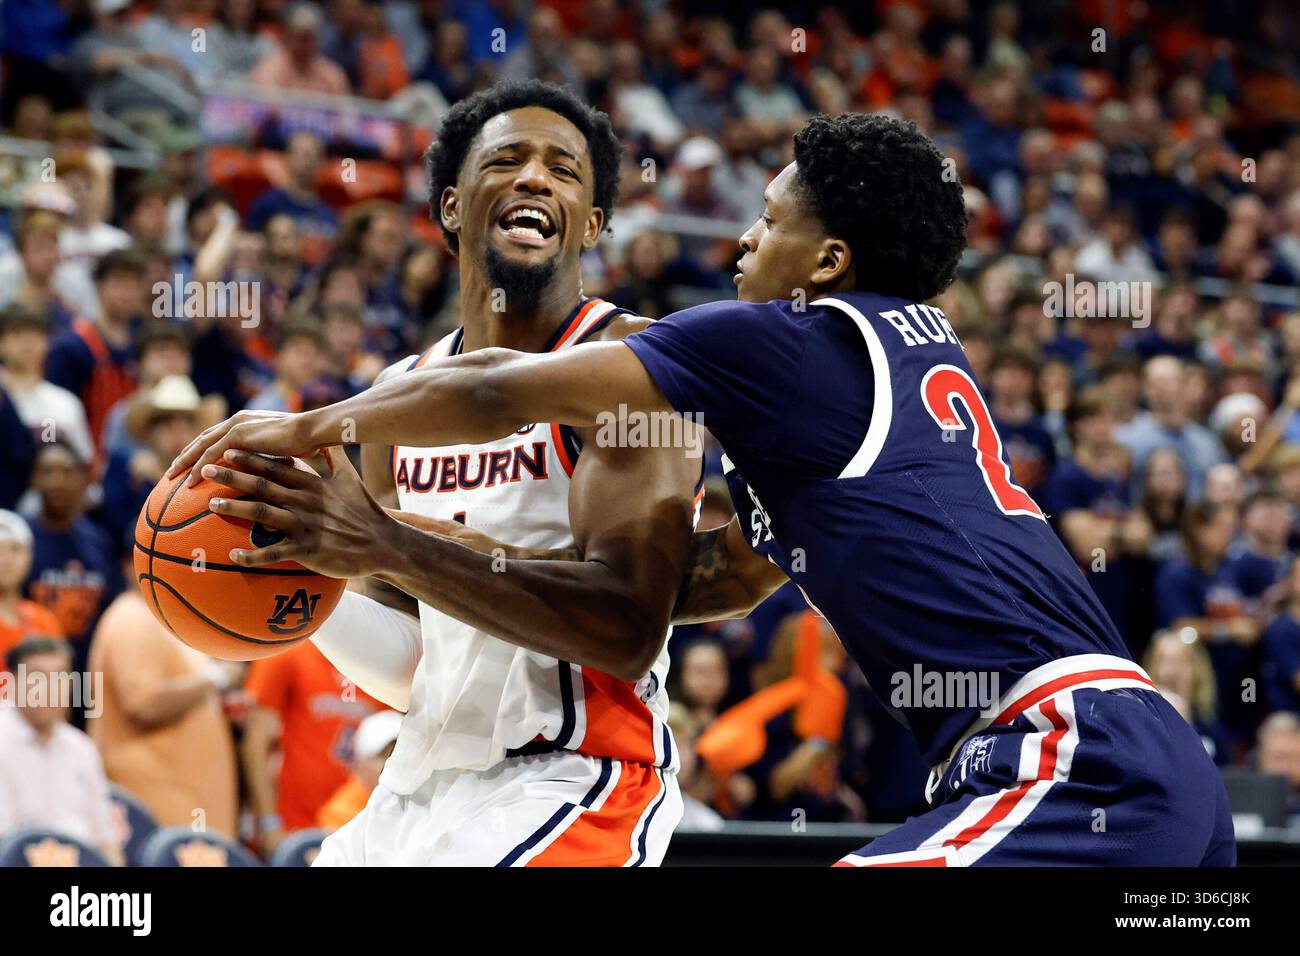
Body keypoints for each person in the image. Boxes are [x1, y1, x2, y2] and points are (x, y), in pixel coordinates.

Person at [173, 112, 1236, 866]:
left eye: (767, 222)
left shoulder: (788, 342)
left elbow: (498, 391)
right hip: (1122, 759)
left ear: (823, 260)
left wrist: (304, 421)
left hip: (1066, 756)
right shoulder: (882, 379)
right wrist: (384, 549)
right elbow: (717, 576)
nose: (740, 240)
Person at [214, 80, 703, 867]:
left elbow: (626, 630)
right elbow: (418, 664)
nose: (535, 177)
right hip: (420, 783)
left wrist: (385, 544)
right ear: (450, 207)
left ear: (594, 226)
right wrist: (304, 561)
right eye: (506, 159)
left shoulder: (628, 368)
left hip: (577, 777)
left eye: (564, 170)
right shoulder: (397, 394)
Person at [86, 585, 240, 836]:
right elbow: (143, 704)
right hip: (155, 798)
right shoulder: (133, 619)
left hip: (187, 798)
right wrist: (216, 678)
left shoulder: (169, 617)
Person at [241, 640, 384, 856]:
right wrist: (269, 822)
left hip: (359, 827)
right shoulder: (289, 650)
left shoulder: (384, 664)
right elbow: (255, 742)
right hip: (294, 825)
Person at [0, 637, 123, 864]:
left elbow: (106, 839)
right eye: (37, 677)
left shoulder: (81, 748)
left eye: (60, 677)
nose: (49, 688)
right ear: (13, 682)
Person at [23, 441, 122, 673]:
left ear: (83, 479)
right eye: (47, 471)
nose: (56, 481)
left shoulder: (99, 541)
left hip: (89, 672)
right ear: (32, 479)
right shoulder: (20, 540)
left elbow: (111, 606)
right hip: (33, 675)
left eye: (67, 472)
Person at [0, 510, 64, 662]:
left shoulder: (44, 621)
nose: (6, 560)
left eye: (15, 549)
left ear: (30, 555)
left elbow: (59, 679)